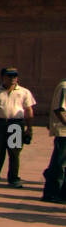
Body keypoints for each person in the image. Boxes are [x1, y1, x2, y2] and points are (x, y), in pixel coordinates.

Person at [43, 76, 66, 204]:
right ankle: (53, 193)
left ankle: (61, 193)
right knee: (59, 165)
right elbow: (59, 109)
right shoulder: (65, 86)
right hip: (64, 133)